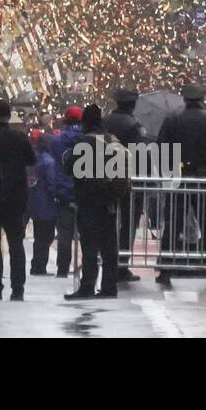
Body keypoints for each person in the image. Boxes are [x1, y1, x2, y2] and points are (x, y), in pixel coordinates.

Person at [155, 83, 206, 286]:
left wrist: (169, 173)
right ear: (202, 100)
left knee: (173, 224)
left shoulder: (172, 121)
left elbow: (160, 149)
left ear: (185, 100)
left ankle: (165, 268)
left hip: (178, 178)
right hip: (205, 179)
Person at [66, 104, 122, 299]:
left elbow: (69, 167)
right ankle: (109, 286)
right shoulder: (113, 141)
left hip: (88, 199)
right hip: (108, 201)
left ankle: (88, 286)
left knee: (89, 246)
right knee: (109, 247)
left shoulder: (83, 142)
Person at [0, 99, 36, 300]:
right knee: (16, 243)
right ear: (9, 114)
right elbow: (31, 160)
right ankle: (18, 288)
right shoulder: (20, 138)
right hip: (15, 195)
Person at [102, 88, 145, 282]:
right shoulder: (134, 124)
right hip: (128, 178)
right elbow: (139, 152)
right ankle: (122, 264)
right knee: (128, 223)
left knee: (108, 221)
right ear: (133, 105)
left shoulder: (105, 122)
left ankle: (108, 262)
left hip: (106, 177)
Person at [46, 105, 86, 277]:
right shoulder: (89, 139)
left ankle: (62, 269)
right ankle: (88, 269)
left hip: (63, 192)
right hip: (84, 191)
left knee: (64, 234)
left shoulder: (56, 141)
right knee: (86, 234)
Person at [27, 129, 61, 276]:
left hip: (35, 201)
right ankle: (40, 266)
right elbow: (52, 183)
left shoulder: (34, 159)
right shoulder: (49, 161)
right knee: (46, 235)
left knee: (39, 236)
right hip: (47, 204)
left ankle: (37, 265)